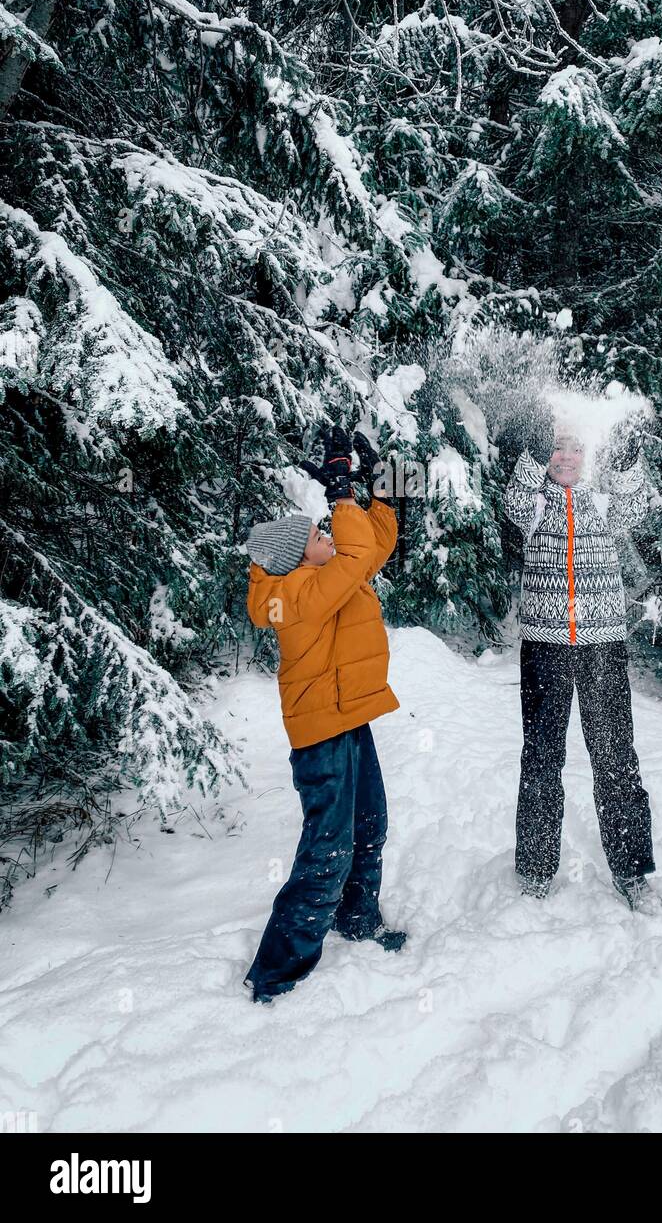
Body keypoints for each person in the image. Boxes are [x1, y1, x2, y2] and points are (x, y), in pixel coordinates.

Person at [241, 426, 406, 1004]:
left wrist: (382, 485)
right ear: (296, 557)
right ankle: (276, 973)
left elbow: (375, 546)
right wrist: (341, 491)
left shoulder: (323, 578)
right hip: (321, 733)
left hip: (347, 718)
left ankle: (357, 921)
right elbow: (358, 551)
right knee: (328, 845)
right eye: (318, 534)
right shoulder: (301, 595)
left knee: (368, 826)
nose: (327, 533)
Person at [504, 407, 660, 913]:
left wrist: (626, 454)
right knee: (542, 759)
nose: (566, 457)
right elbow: (513, 504)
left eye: (576, 447)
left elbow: (634, 509)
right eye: (558, 447)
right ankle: (534, 869)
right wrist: (533, 446)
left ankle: (633, 872)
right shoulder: (535, 502)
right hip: (545, 646)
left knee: (615, 759)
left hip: (601, 645)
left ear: (589, 454)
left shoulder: (602, 501)